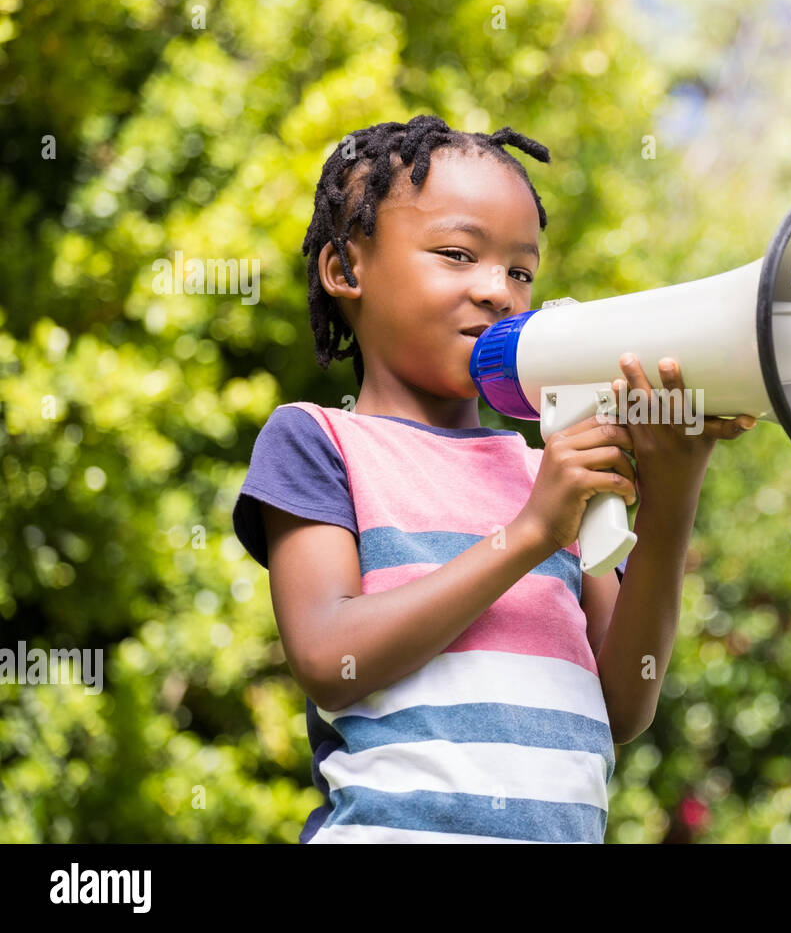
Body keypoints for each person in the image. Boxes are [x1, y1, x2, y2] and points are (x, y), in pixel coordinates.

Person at [232, 114, 756, 843]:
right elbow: (328, 656)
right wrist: (531, 533)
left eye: (520, 271)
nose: (498, 292)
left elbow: (624, 704)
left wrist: (671, 494)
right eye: (456, 254)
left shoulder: (552, 469)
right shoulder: (320, 440)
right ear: (345, 269)